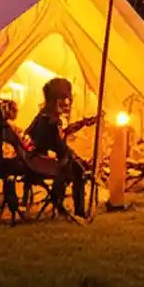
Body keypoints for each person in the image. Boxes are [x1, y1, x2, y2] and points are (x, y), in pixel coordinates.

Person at [25, 78, 94, 218]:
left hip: (37, 159)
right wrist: (78, 159)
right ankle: (75, 209)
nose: (66, 103)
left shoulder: (42, 117)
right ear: (58, 100)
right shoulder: (50, 120)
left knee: (73, 164)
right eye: (64, 99)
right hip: (42, 163)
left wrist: (78, 126)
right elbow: (60, 148)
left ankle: (60, 200)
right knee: (77, 170)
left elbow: (55, 141)